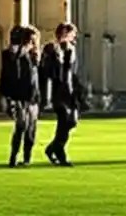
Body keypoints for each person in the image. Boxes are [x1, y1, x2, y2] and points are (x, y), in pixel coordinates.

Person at [40, 22, 84, 167]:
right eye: (70, 33)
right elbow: (50, 71)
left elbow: (72, 72)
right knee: (63, 122)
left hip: (70, 91)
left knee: (71, 122)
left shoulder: (71, 49)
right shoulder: (52, 48)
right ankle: (60, 153)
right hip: (58, 91)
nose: (72, 36)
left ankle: (52, 148)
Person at [0, 25, 41, 167]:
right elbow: (8, 72)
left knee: (31, 129)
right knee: (21, 126)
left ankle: (27, 158)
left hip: (33, 96)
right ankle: (13, 157)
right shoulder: (12, 54)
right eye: (31, 40)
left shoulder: (34, 55)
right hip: (18, 96)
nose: (32, 43)